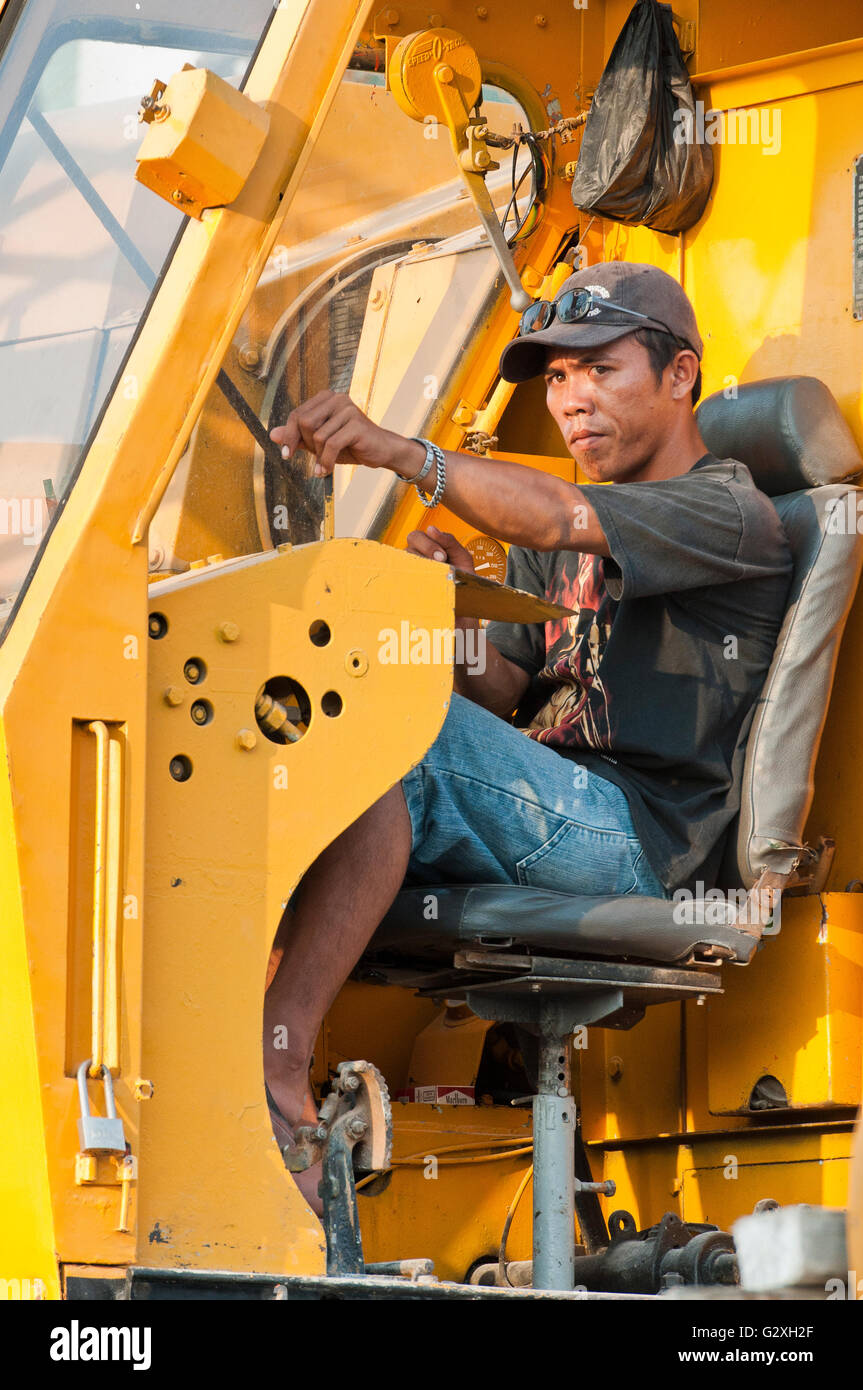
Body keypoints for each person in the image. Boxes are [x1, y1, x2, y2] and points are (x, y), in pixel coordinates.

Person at [264, 261, 793, 1209]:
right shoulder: (549, 541)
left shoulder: (727, 511)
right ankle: (254, 1069)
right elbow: (506, 683)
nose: (571, 400)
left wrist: (404, 456)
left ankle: (277, 1072)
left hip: (634, 839)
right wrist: (447, 608)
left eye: (600, 370)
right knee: (312, 737)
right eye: (555, 378)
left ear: (681, 378)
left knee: (386, 736)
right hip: (550, 801)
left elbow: (558, 511)